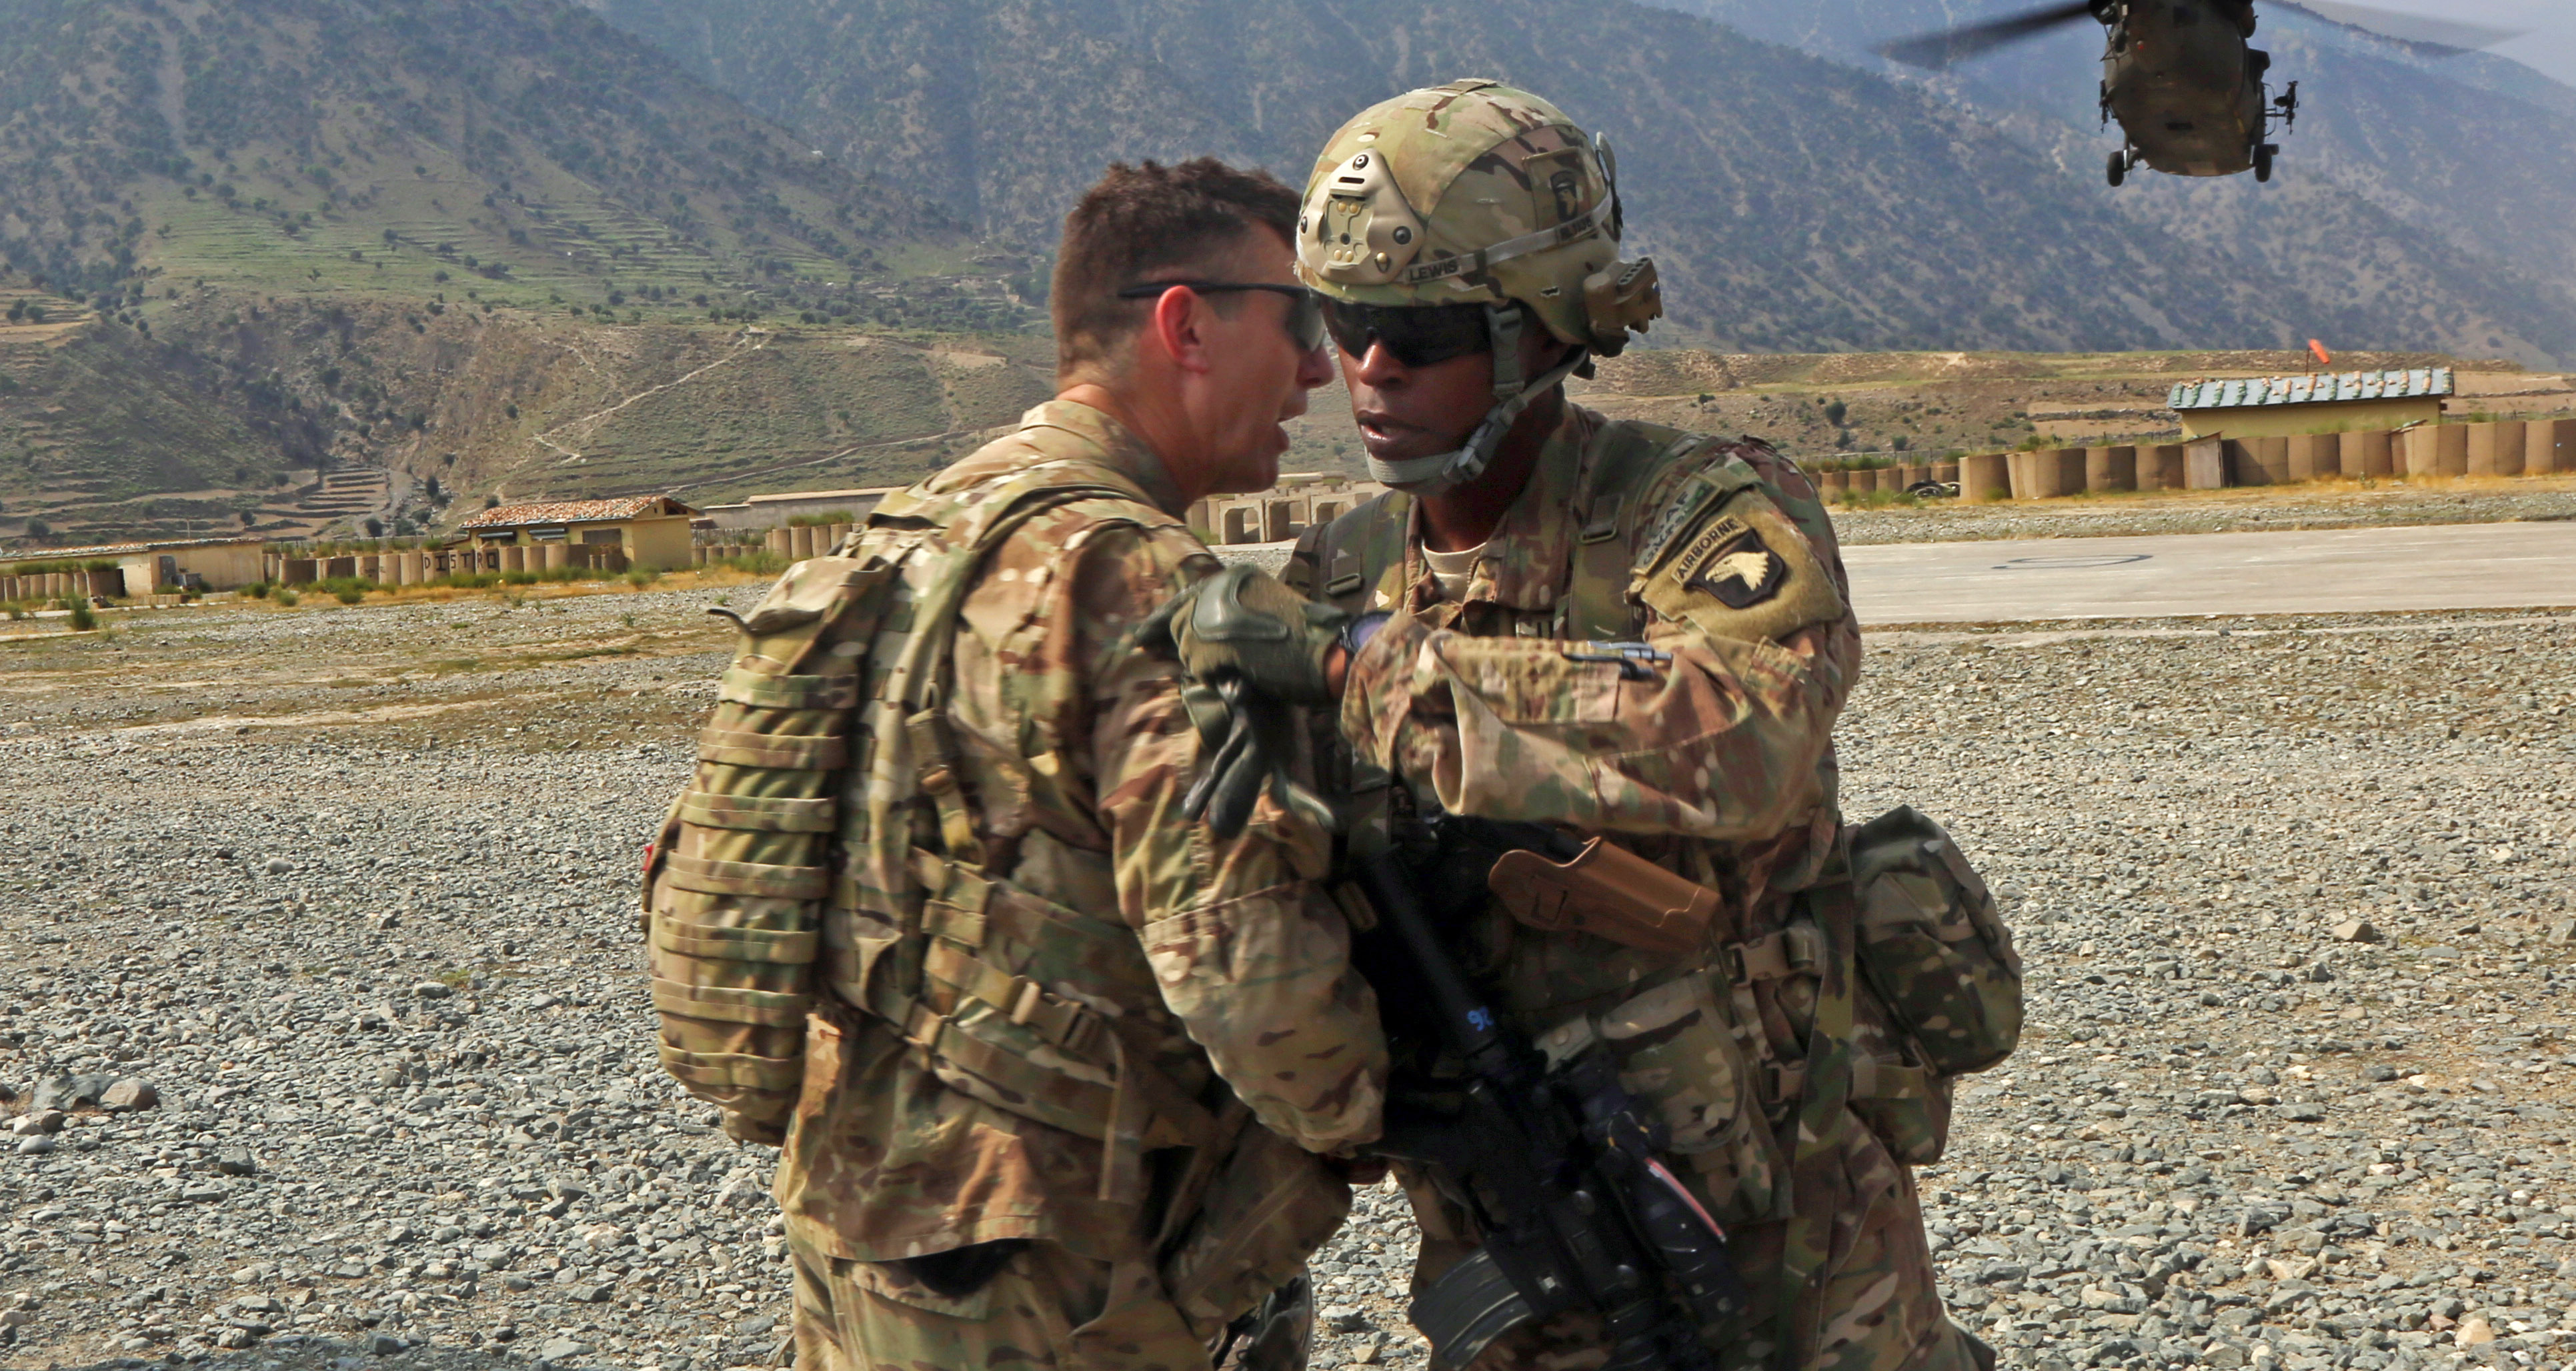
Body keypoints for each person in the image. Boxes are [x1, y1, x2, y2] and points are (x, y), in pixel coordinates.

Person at [1150, 81, 1994, 1371]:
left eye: (1422, 330)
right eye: (1346, 323)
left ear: (1546, 327)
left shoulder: (1696, 510)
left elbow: (1747, 735)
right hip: (1511, 1227)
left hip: (1787, 1241)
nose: (1371, 371)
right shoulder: (1343, 572)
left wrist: (1359, 670)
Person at [643, 158, 1386, 1371]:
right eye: (1303, 320)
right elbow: (1242, 969)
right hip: (1047, 1258)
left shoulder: (918, 528)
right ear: (1186, 326)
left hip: (860, 1203)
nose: (1321, 368)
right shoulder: (1138, 580)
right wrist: (1372, 1110)